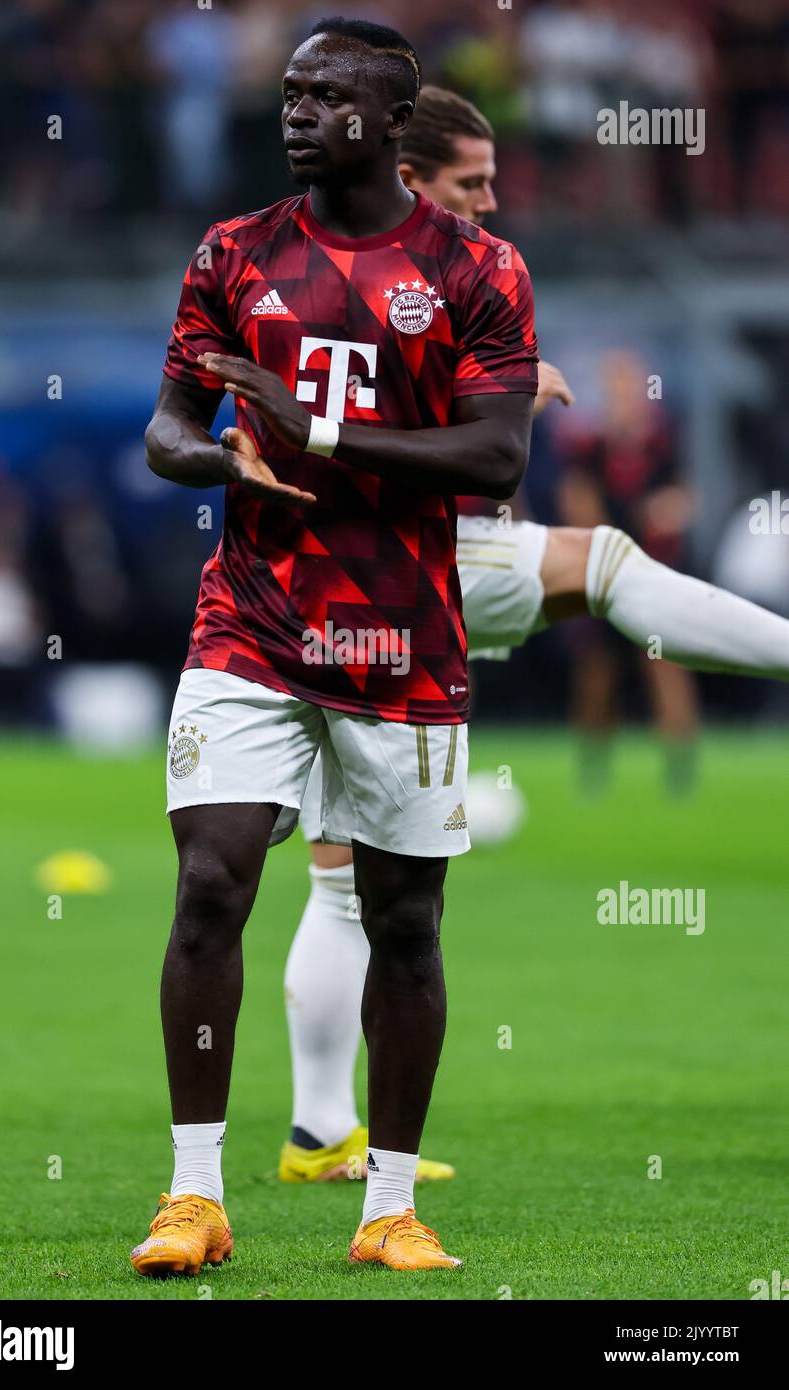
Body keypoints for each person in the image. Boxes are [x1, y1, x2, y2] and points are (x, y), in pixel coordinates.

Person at [280, 85, 789, 1186]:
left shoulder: (378, 262)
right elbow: (344, 418)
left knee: (334, 872)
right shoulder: (376, 276)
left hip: (353, 584)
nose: (494, 200)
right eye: (473, 182)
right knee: (602, 567)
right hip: (380, 569)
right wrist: (495, 393)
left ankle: (317, 1130)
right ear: (408, 180)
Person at [130, 23, 538, 1276]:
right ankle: (193, 1196)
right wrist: (212, 455)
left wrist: (316, 434)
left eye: (323, 93)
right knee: (210, 885)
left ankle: (389, 1207)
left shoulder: (475, 266)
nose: (295, 110)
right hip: (248, 617)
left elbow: (494, 455)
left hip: (404, 638)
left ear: (389, 110)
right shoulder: (234, 252)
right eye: (291, 90)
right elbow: (167, 426)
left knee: (405, 922)